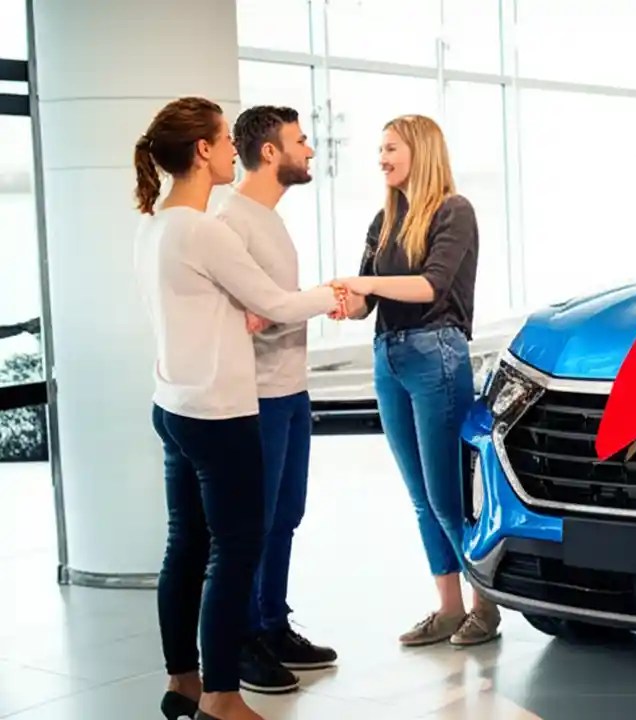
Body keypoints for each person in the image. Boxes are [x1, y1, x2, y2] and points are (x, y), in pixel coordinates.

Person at [132, 96, 344, 720]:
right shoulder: (202, 230)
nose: (232, 150)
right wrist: (334, 294)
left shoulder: (154, 226)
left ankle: (184, 683)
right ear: (202, 151)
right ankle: (224, 696)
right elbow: (275, 304)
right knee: (234, 551)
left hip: (172, 404)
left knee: (184, 549)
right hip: (218, 415)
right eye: (225, 140)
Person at [331, 114, 499, 647]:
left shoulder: (454, 211)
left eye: (390, 148)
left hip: (437, 356)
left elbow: (430, 287)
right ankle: (448, 609)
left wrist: (367, 282)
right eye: (379, 149)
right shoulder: (383, 222)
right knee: (421, 496)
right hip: (389, 357)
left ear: (420, 151)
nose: (381, 158)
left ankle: (486, 607)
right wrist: (346, 299)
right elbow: (365, 304)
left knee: (449, 496)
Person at [215, 105, 339, 695]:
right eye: (301, 140)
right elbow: (240, 309)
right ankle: (243, 641)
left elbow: (272, 305)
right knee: (254, 524)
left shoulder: (269, 217)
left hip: (292, 391)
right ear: (270, 152)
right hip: (256, 397)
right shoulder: (228, 216)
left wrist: (284, 305)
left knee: (285, 518)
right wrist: (307, 300)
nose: (310, 150)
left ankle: (272, 624)